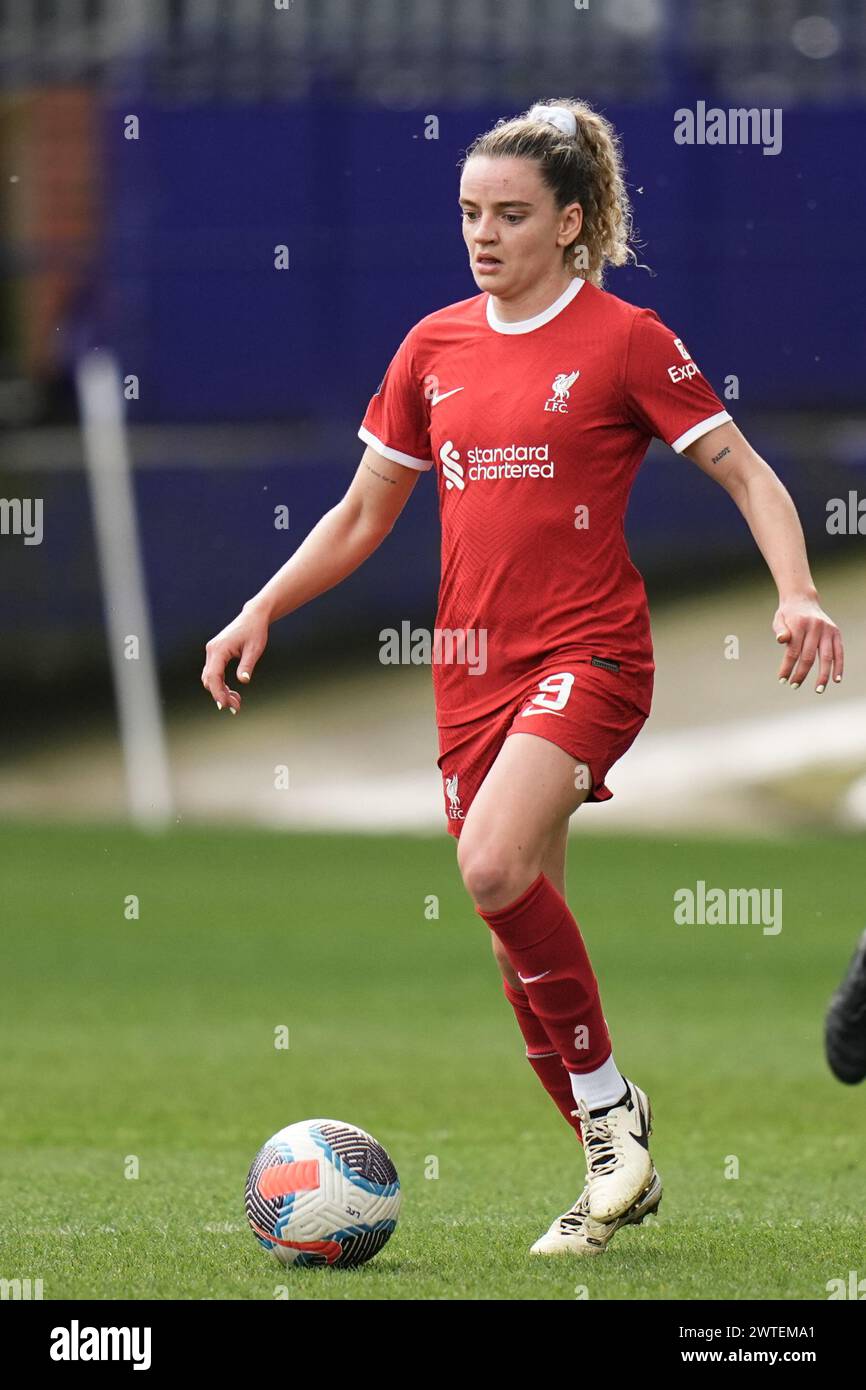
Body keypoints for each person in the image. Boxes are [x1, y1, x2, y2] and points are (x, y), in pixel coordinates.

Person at [202, 99, 845, 1256]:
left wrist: (795, 591)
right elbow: (359, 515)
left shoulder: (626, 341)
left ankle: (609, 1119)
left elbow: (744, 472)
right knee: (514, 933)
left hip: (590, 654)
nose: (481, 235)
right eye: (467, 213)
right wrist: (260, 606)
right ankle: (611, 1161)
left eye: (508, 214)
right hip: (466, 680)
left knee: (490, 863)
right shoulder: (431, 348)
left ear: (573, 221)